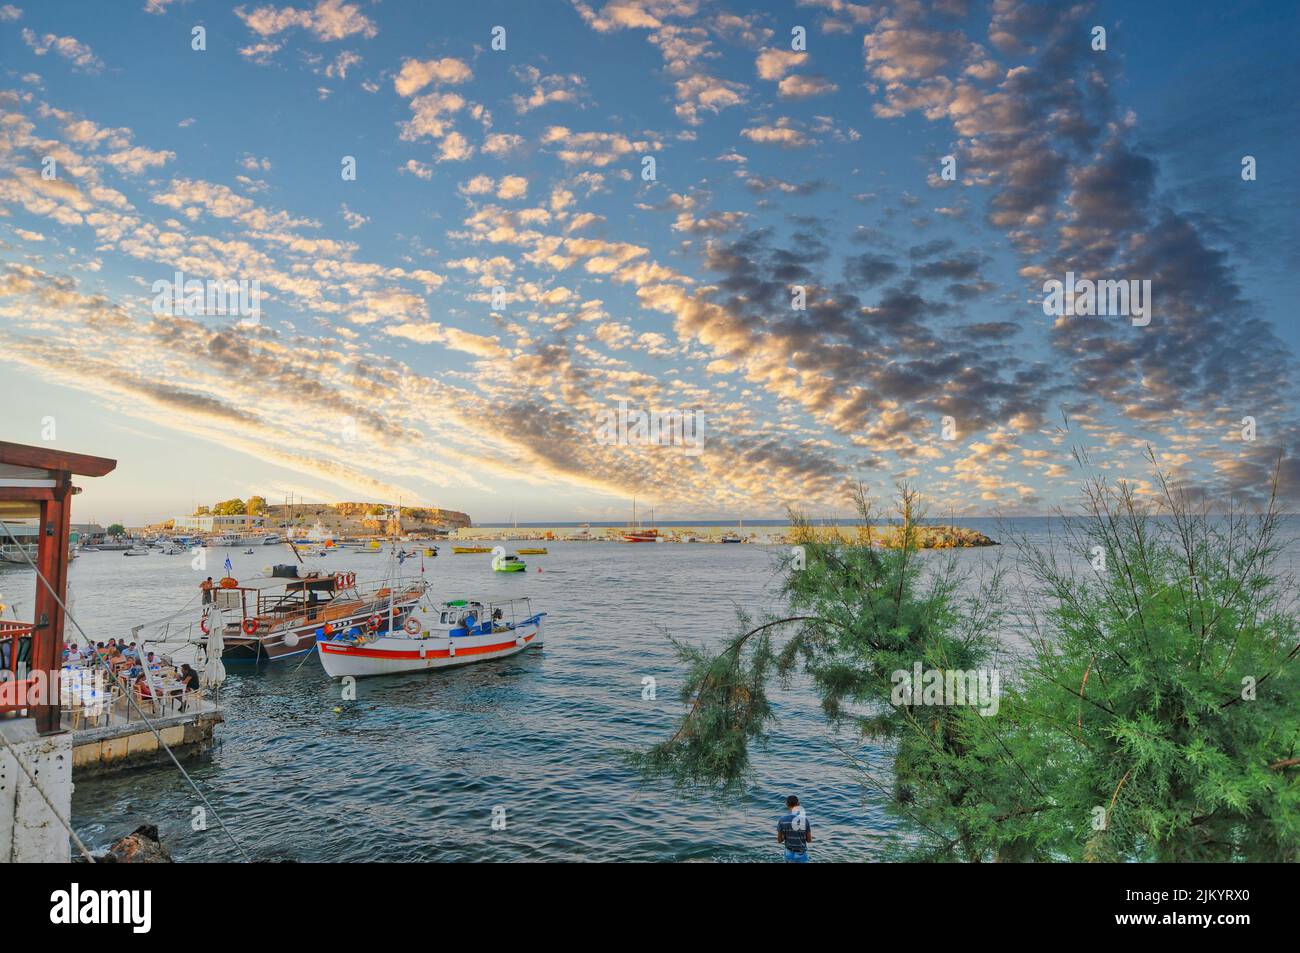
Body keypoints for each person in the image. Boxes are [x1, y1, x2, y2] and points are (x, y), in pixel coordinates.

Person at [776, 795, 813, 863]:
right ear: (798, 804)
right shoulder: (804, 820)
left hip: (788, 853)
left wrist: (786, 835)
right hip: (801, 854)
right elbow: (809, 840)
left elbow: (779, 840)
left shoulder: (782, 820)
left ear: (787, 804)